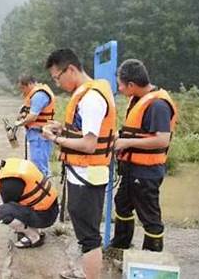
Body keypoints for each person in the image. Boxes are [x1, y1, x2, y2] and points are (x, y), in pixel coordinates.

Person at [41, 49, 116, 279]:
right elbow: (82, 132)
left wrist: (55, 139)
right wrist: (62, 129)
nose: (56, 83)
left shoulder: (92, 98)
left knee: (89, 238)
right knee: (85, 231)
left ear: (70, 69)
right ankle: (85, 272)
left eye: (56, 77)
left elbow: (89, 144)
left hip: (87, 175)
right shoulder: (87, 94)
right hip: (82, 174)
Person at [109, 59, 177, 252]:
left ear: (131, 84)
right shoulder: (138, 98)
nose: (119, 88)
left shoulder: (158, 105)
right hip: (131, 169)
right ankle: (121, 245)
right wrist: (120, 137)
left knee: (150, 217)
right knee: (122, 204)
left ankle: (152, 257)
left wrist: (127, 142)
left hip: (146, 172)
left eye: (120, 84)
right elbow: (137, 131)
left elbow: (162, 140)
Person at [0, 157, 59, 248]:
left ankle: (34, 237)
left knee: (2, 213)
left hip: (46, 217)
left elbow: (9, 209)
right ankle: (36, 231)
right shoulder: (9, 167)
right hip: (52, 207)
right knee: (8, 209)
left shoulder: (7, 186)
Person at [13, 74, 56, 176]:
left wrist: (18, 124)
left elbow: (33, 116)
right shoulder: (35, 94)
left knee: (40, 167)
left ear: (30, 84)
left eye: (23, 88)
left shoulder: (39, 95)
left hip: (40, 136)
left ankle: (44, 189)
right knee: (37, 165)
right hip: (36, 135)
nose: (23, 91)